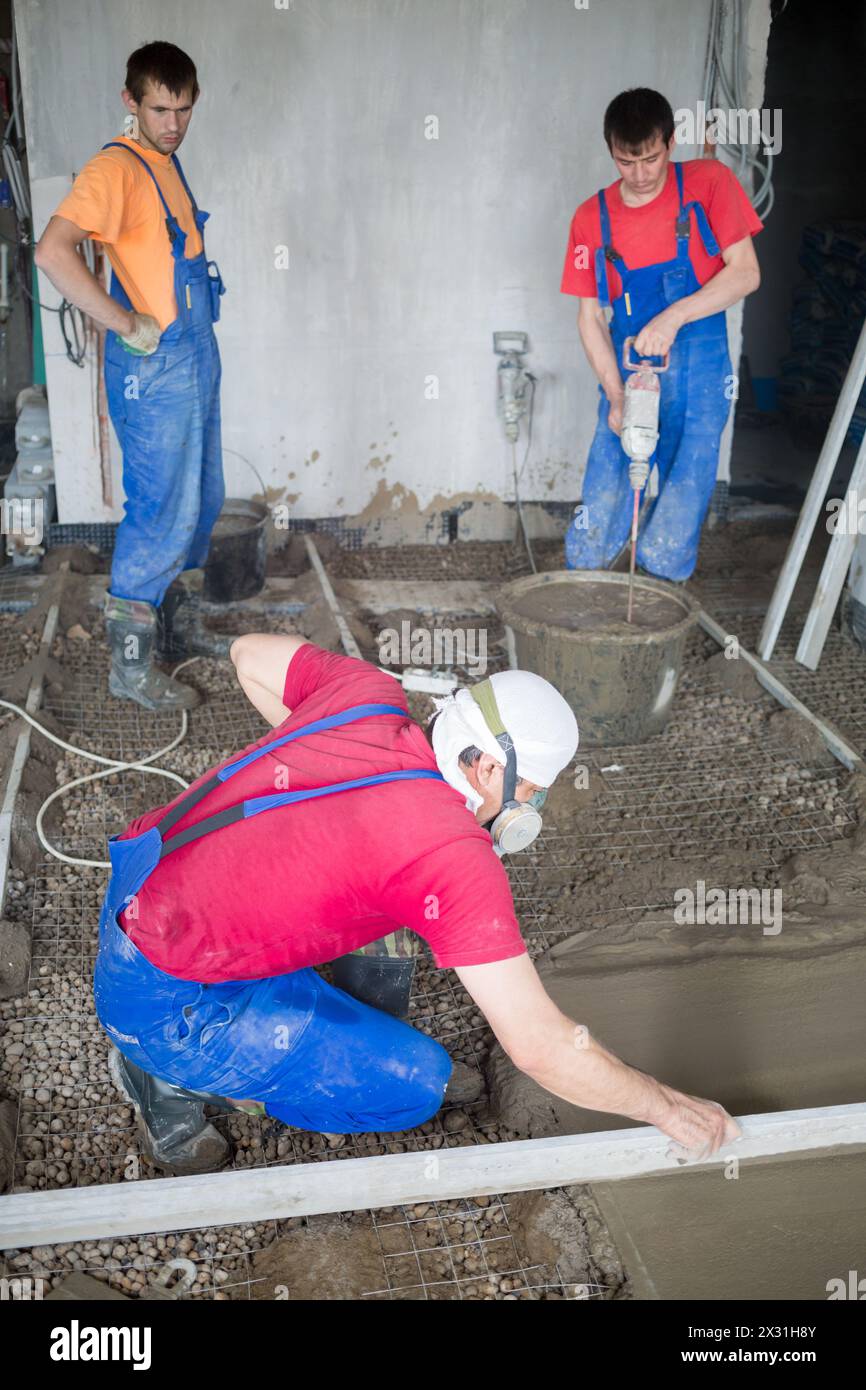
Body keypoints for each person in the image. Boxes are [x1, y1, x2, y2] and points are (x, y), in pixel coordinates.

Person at [93, 633, 740, 1174]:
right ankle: (170, 1080)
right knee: (415, 1087)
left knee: (390, 926)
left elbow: (246, 654)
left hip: (144, 887)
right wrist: (664, 1106)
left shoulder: (367, 693)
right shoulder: (451, 858)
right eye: (534, 792)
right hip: (170, 1000)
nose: (531, 809)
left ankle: (307, 1027)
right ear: (489, 770)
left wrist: (319, 767)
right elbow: (541, 1047)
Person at [34, 41, 228, 712]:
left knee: (202, 499)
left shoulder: (166, 163)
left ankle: (176, 628)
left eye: (182, 109)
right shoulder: (116, 168)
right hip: (156, 369)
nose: (172, 123)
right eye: (158, 109)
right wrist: (120, 320)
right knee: (158, 513)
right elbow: (52, 252)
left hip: (196, 356)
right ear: (131, 103)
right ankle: (130, 669)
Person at [561, 87, 763, 581]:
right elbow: (590, 317)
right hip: (629, 378)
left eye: (650, 158)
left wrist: (672, 318)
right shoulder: (592, 219)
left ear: (670, 143)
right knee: (603, 495)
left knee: (683, 494)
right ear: (611, 150)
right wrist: (614, 396)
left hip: (699, 378)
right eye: (626, 162)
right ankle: (582, 598)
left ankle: (655, 609)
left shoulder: (709, 183)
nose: (641, 174)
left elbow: (745, 274)